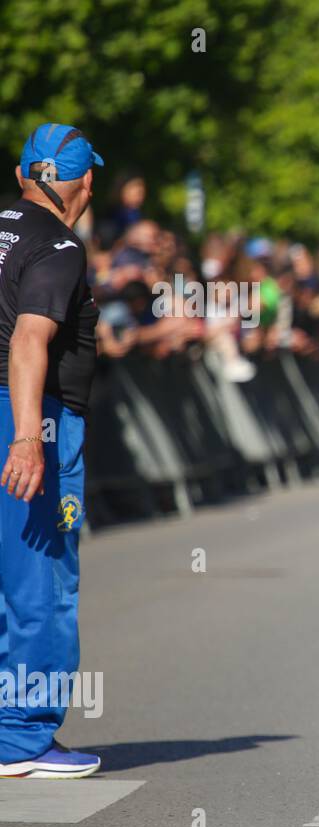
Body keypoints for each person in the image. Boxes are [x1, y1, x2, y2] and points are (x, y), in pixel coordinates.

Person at [0, 124, 104, 778]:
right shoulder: (59, 245)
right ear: (84, 184)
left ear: (20, 176)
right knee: (41, 582)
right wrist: (28, 436)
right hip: (30, 415)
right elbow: (30, 340)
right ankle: (22, 739)